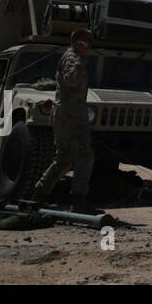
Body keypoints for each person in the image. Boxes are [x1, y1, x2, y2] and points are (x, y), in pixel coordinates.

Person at [33, 29, 95, 212]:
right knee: (83, 156)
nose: (89, 46)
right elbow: (72, 80)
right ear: (77, 42)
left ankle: (39, 193)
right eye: (86, 42)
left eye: (90, 42)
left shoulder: (73, 57)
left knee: (64, 157)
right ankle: (78, 200)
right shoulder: (73, 58)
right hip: (70, 114)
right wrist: (80, 61)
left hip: (69, 113)